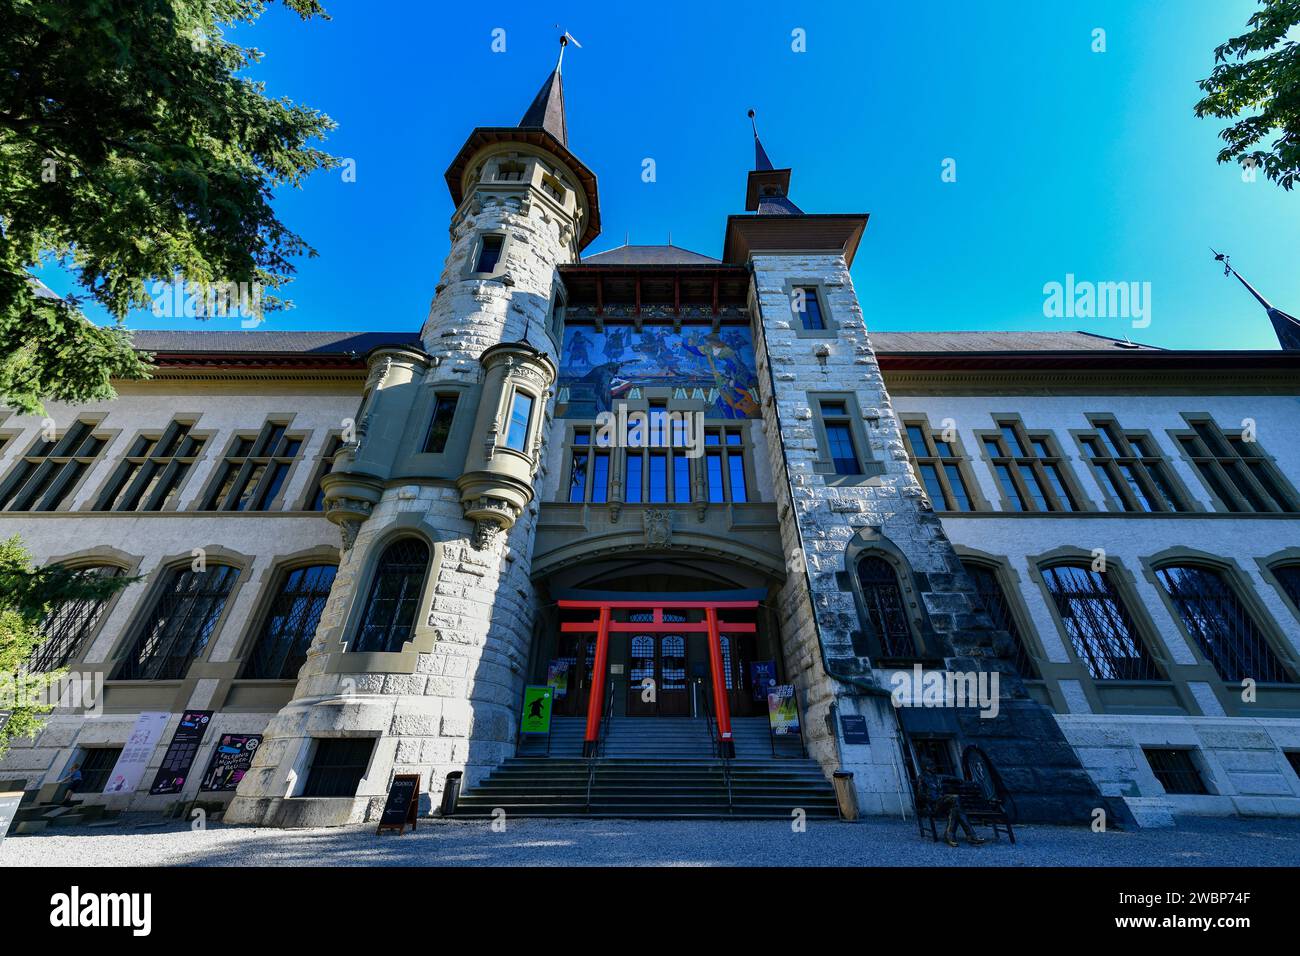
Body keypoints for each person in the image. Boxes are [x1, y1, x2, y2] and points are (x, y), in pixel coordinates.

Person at [917, 756, 986, 847]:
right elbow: (920, 795)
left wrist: (964, 782)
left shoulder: (938, 778)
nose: (934, 766)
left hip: (944, 803)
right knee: (955, 799)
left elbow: (952, 778)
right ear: (925, 767)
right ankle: (970, 835)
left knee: (956, 809)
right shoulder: (922, 778)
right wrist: (929, 798)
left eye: (933, 764)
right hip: (934, 804)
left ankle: (951, 835)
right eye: (931, 765)